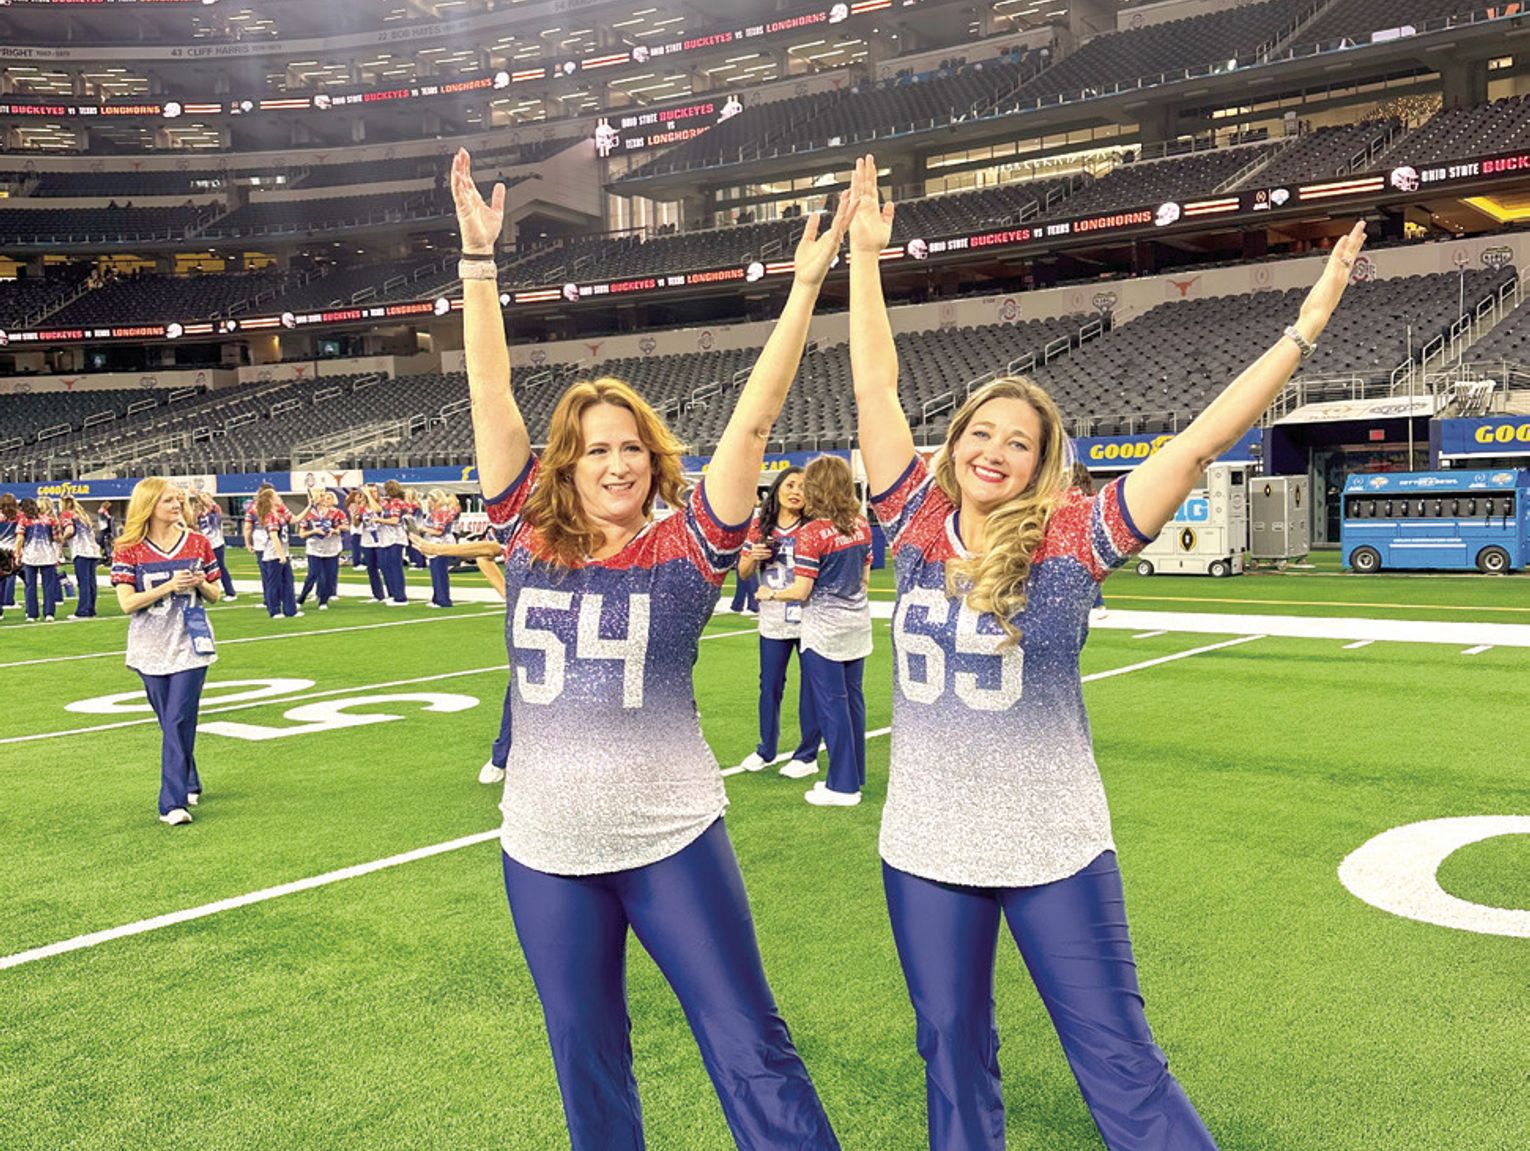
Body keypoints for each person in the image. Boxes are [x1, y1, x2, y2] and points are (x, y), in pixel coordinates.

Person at [846, 151, 1366, 1151]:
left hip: (1053, 846)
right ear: (951, 442)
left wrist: (1304, 326)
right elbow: (874, 381)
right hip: (924, 848)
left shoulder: (1076, 538)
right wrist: (866, 259)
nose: (994, 448)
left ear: (1046, 465)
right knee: (950, 1057)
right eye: (980, 431)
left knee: (1119, 1062)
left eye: (1020, 441)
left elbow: (1199, 441)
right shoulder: (911, 520)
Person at [450, 144, 848, 1150]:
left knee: (749, 1043)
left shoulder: (687, 544)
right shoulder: (525, 536)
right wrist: (480, 266)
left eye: (631, 444)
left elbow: (755, 421)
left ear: (652, 456)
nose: (616, 460)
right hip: (543, 848)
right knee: (587, 1059)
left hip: (672, 835)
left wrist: (804, 288)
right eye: (596, 447)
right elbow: (491, 395)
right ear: (566, 465)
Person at [758, 456, 872, 806]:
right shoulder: (861, 523)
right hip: (858, 624)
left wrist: (771, 592)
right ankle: (855, 774)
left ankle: (842, 786)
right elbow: (865, 579)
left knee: (831, 706)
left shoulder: (811, 533)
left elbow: (802, 591)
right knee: (854, 702)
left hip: (824, 631)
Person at [111, 478, 223, 825]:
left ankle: (172, 803)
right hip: (149, 644)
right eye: (168, 501)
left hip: (192, 641)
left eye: (179, 500)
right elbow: (127, 604)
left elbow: (216, 593)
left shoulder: (198, 542)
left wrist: (200, 583)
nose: (177, 506)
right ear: (148, 506)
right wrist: (168, 586)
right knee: (170, 721)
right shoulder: (128, 547)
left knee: (177, 718)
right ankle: (189, 779)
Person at [733, 466, 823, 778]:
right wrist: (753, 557)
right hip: (772, 619)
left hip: (809, 615)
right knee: (769, 685)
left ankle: (807, 754)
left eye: (803, 487)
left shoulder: (815, 527)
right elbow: (743, 573)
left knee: (811, 686)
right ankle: (766, 749)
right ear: (778, 489)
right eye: (791, 485)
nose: (796, 491)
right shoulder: (759, 527)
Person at [414, 529, 513, 783]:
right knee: (521, 691)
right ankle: (500, 758)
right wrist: (508, 595)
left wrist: (438, 549)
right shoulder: (527, 528)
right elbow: (487, 553)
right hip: (538, 626)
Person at [251, 486, 301, 619]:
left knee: (288, 582)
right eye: (276, 496)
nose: (279, 498)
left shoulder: (279, 514)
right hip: (273, 555)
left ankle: (291, 610)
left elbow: (296, 519)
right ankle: (274, 610)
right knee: (274, 584)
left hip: (283, 553)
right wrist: (281, 555)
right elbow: (274, 537)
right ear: (271, 500)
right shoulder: (269, 516)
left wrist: (309, 506)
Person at [1069, 462, 1109, 623]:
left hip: (1072, 539)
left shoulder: (1070, 495)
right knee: (1089, 573)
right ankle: (1097, 606)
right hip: (1089, 539)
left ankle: (1096, 605)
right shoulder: (1093, 494)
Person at [297, 489, 347, 610]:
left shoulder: (337, 512)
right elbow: (302, 534)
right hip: (314, 548)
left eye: (324, 496)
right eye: (320, 496)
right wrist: (314, 531)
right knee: (313, 574)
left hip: (331, 548)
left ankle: (323, 601)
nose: (323, 499)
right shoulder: (309, 514)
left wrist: (335, 530)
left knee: (329, 575)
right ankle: (301, 599)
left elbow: (346, 526)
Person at [15, 496, 62, 622]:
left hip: (30, 557)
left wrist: (17, 555)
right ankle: (49, 613)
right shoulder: (51, 520)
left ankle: (32, 614)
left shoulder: (24, 520)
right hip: (48, 556)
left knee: (30, 586)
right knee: (48, 586)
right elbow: (58, 539)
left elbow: (19, 540)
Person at [59, 493, 103, 619]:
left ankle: (82, 610)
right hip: (92, 551)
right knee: (91, 582)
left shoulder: (66, 514)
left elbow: (70, 530)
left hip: (80, 550)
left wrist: (62, 540)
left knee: (83, 582)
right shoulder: (84, 516)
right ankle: (91, 609)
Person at [418, 488, 461, 608]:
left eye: (430, 500)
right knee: (435, 572)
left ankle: (443, 600)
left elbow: (438, 531)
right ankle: (437, 598)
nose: (429, 503)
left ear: (435, 500)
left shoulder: (441, 512)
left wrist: (423, 529)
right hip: (434, 545)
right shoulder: (435, 512)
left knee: (439, 572)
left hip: (440, 545)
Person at [192, 491, 238, 600]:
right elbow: (193, 522)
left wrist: (196, 493)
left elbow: (212, 507)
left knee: (220, 567)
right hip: (205, 545)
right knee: (203, 569)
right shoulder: (199, 512)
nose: (205, 499)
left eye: (206, 497)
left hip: (217, 543)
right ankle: (208, 592)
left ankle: (230, 592)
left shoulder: (214, 509)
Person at [373, 480, 410, 604]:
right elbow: (377, 507)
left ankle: (400, 596)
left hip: (396, 538)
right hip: (387, 538)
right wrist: (368, 495)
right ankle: (393, 593)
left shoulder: (397, 503)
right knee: (385, 566)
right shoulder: (389, 503)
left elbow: (394, 520)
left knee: (395, 567)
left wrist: (379, 520)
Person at [0, 492, 18, 620]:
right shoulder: (19, 517)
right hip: (14, 550)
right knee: (13, 576)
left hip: (0, 550)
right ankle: (9, 600)